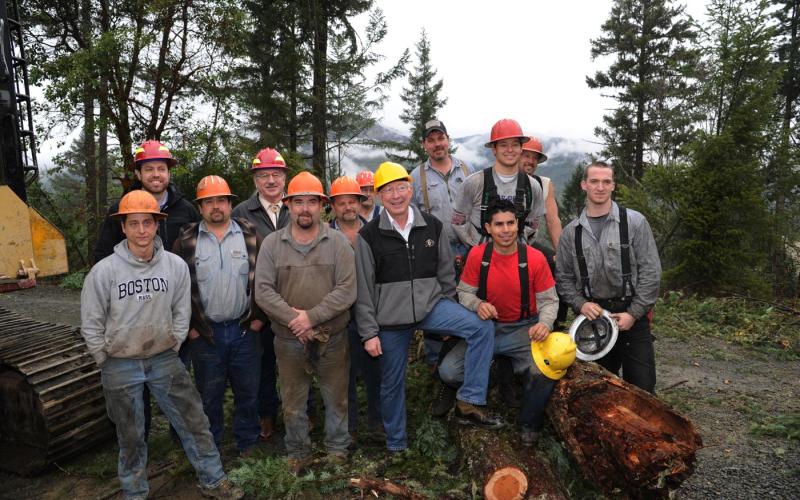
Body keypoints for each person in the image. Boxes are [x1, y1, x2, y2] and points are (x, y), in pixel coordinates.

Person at [80, 190, 242, 500]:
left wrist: (174, 343)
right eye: (133, 223)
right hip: (120, 362)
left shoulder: (174, 266)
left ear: (157, 224)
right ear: (123, 227)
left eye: (148, 222)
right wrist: (105, 359)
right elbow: (91, 322)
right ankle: (134, 492)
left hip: (164, 358)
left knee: (194, 422)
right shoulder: (104, 272)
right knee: (130, 435)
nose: (141, 230)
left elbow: (182, 311)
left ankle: (213, 480)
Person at [355, 162, 502, 454]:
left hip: (432, 306)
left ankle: (470, 400)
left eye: (401, 187)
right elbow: (363, 288)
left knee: (481, 326)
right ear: (380, 195)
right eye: (388, 190)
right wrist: (369, 333)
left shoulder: (432, 225)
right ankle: (397, 445)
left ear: (410, 190)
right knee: (392, 382)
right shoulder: (368, 236)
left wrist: (449, 311)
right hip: (390, 319)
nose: (396, 195)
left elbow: (446, 273)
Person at [93, 139, 199, 440]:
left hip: (172, 312)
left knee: (177, 383)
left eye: (161, 168)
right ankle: (140, 441)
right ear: (139, 174)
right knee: (134, 391)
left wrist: (191, 317)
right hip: (132, 315)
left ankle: (181, 439)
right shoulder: (121, 210)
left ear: (169, 172)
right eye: (149, 169)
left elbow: (196, 260)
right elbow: (102, 258)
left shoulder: (186, 210)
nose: (156, 174)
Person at [254, 172, 356, 473]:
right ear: (288, 204)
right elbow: (263, 291)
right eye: (298, 202)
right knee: (293, 400)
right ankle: (298, 452)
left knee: (336, 397)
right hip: (288, 340)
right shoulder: (272, 244)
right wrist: (295, 321)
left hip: (332, 337)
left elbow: (347, 290)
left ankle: (337, 450)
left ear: (322, 206)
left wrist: (310, 318)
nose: (305, 209)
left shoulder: (337, 242)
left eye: (312, 202)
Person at [437, 199, 559, 445]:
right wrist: (477, 305)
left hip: (524, 329)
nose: (506, 230)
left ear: (518, 225)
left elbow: (549, 301)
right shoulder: (478, 255)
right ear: (488, 228)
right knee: (449, 372)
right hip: (486, 329)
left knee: (543, 372)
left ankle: (529, 424)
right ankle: (490, 374)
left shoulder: (535, 259)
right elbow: (464, 292)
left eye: (510, 223)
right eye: (499, 224)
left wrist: (544, 324)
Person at [173, 175, 264, 456]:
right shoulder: (185, 241)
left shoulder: (251, 235)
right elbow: (176, 289)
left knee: (248, 392)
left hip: (244, 329)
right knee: (209, 395)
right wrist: (191, 328)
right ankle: (210, 447)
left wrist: (259, 319)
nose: (216, 206)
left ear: (230, 204)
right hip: (205, 333)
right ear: (200, 207)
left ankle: (248, 443)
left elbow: (265, 280)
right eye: (209, 201)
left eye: (221, 200)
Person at [556, 161, 661, 393]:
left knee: (643, 387)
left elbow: (651, 272)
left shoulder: (635, 222)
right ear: (584, 185)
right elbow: (563, 278)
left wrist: (633, 313)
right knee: (597, 389)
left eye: (606, 182)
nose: (600, 187)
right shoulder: (571, 233)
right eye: (594, 181)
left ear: (613, 185)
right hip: (592, 319)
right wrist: (580, 304)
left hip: (632, 316)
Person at [409, 119, 480, 369]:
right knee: (436, 304)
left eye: (441, 138)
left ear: (448, 140)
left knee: (471, 300)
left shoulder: (468, 170)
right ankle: (435, 363)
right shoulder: (415, 177)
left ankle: (466, 358)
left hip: (470, 248)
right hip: (435, 252)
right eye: (431, 140)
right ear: (424, 145)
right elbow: (412, 218)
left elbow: (478, 207)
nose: (437, 144)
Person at [231, 147, 289, 440]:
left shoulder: (297, 205)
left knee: (299, 361)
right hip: (259, 305)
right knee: (263, 363)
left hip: (295, 300)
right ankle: (267, 414)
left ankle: (302, 411)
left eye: (276, 174)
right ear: (255, 180)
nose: (271, 180)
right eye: (264, 175)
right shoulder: (241, 213)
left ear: (284, 177)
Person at [328, 176, 383, 440]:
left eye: (352, 201)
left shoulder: (374, 231)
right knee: (342, 375)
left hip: (371, 313)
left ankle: (377, 423)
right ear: (333, 207)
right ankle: (347, 428)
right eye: (342, 203)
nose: (348, 207)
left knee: (375, 372)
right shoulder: (325, 235)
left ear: (360, 203)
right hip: (339, 316)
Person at [451, 118, 544, 249]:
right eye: (503, 145)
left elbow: (533, 225)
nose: (510, 150)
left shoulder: (532, 187)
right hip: (481, 257)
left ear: (521, 148)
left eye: (515, 145)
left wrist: (519, 246)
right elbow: (458, 222)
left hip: (517, 256)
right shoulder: (474, 183)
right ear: (494, 149)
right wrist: (475, 248)